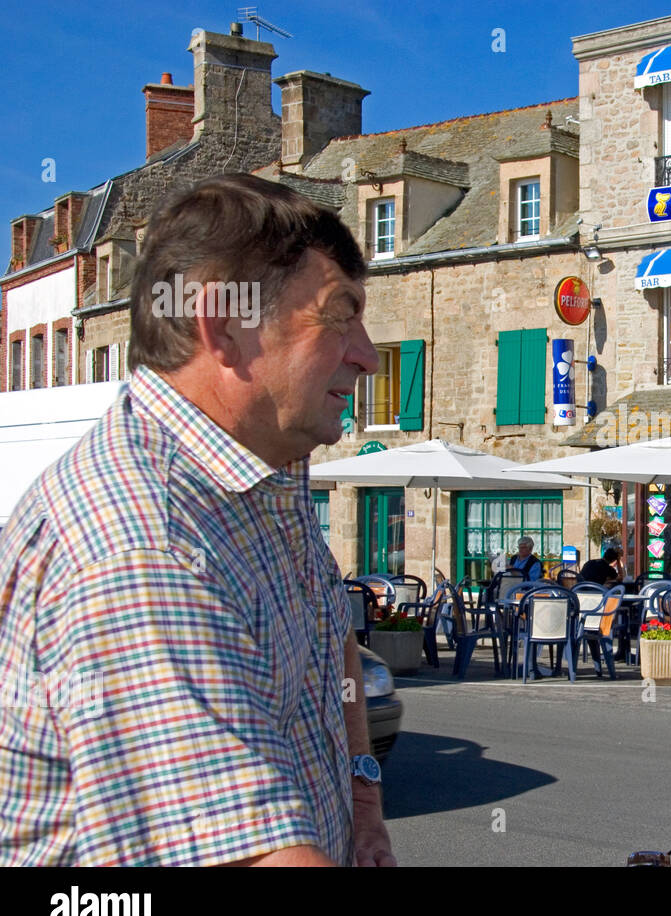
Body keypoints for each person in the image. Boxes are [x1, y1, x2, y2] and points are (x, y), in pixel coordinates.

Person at [0, 174, 395, 866]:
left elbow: (335, 646)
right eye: (339, 315)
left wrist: (363, 803)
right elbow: (247, 854)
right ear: (224, 327)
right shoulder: (139, 543)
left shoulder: (266, 480)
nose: (366, 353)